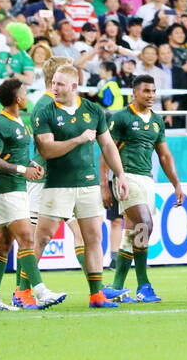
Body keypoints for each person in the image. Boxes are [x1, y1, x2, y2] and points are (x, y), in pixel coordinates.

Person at [30, 63, 130, 309]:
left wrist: (120, 174)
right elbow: (46, 149)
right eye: (53, 83)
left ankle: (96, 295)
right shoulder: (45, 111)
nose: (54, 87)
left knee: (93, 237)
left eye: (60, 84)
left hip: (87, 185)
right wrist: (78, 140)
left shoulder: (93, 110)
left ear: (74, 86)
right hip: (56, 184)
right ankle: (23, 291)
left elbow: (107, 146)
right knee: (42, 237)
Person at [0, 78, 65, 311]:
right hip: (6, 188)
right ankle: (40, 291)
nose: (27, 96)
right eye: (25, 92)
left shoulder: (20, 122)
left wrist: (30, 164)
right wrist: (21, 170)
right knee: (27, 238)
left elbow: (15, 154)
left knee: (4, 244)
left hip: (16, 187)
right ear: (18, 99)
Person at [105, 75, 186, 303]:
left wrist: (176, 183)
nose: (150, 95)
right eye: (146, 91)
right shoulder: (121, 118)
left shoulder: (156, 121)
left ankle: (116, 287)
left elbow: (164, 155)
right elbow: (108, 150)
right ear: (134, 93)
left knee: (133, 232)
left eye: (153, 91)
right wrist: (105, 182)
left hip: (146, 179)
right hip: (125, 176)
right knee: (145, 225)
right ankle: (143, 284)